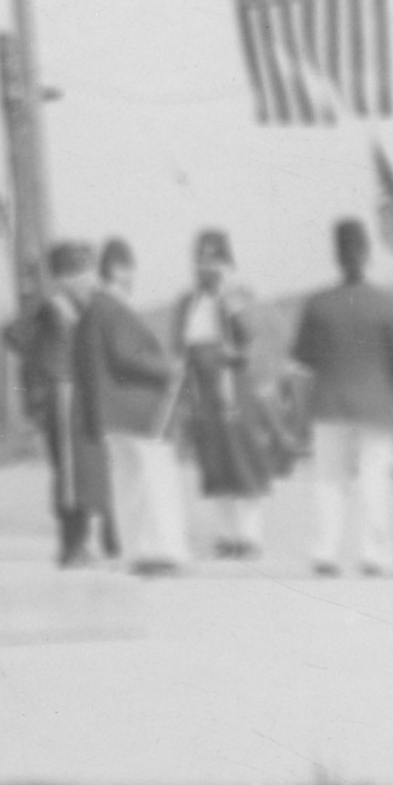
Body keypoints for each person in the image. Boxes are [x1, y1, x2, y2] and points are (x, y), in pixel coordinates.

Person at [287, 216, 393, 577]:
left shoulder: (317, 304)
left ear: (336, 254)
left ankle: (324, 552)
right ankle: (374, 554)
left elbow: (303, 356)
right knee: (374, 480)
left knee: (329, 479)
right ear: (367, 252)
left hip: (329, 403)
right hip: (377, 405)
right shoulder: (388, 304)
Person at [173, 228, 287, 559]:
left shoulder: (241, 298)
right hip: (202, 391)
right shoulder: (187, 302)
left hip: (235, 390)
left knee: (244, 459)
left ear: (227, 263)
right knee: (214, 461)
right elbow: (179, 346)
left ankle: (249, 535)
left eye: (215, 260)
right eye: (201, 261)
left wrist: (230, 303)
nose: (207, 268)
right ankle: (227, 534)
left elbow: (251, 342)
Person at [80, 239, 188, 573]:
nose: (132, 275)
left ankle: (138, 552)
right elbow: (128, 356)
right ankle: (162, 552)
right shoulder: (115, 310)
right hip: (138, 412)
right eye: (128, 267)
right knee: (154, 483)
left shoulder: (92, 311)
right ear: (116, 270)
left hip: (109, 412)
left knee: (128, 485)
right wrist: (170, 367)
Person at [5, 243, 109, 567]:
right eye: (81, 273)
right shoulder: (52, 308)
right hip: (62, 395)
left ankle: (79, 544)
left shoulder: (84, 307)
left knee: (84, 472)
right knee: (69, 473)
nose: (90, 280)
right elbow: (14, 337)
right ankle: (72, 546)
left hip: (82, 396)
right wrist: (37, 299)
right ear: (65, 278)